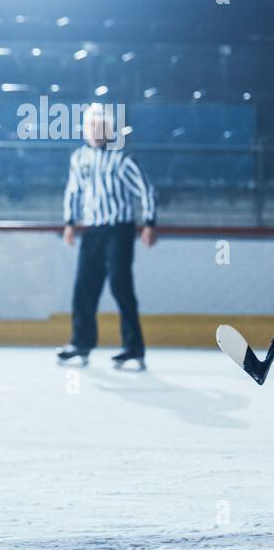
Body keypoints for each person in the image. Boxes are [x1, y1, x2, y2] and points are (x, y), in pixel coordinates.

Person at [56, 104, 157, 370]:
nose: (94, 131)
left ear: (110, 130)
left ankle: (133, 348)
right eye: (90, 125)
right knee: (84, 288)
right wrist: (69, 222)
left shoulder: (122, 159)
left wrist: (149, 223)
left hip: (118, 230)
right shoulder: (78, 158)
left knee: (120, 287)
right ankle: (81, 344)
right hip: (92, 231)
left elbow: (145, 190)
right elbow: (73, 190)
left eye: (100, 126)